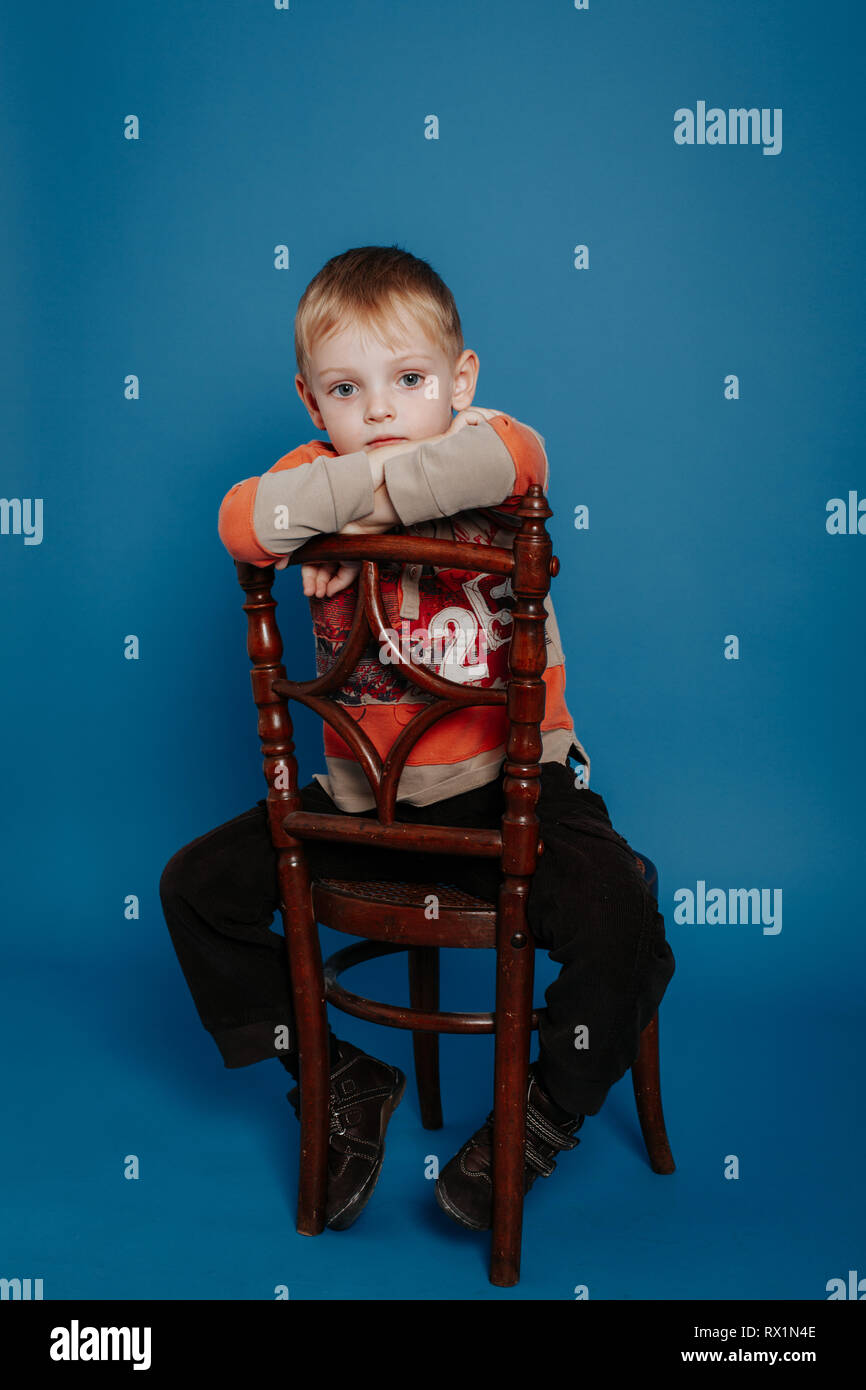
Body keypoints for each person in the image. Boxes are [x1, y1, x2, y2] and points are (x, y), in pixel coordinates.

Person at [159, 244, 676, 1234]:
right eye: (349, 391)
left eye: (410, 381)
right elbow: (240, 520)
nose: (383, 411)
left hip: (512, 787)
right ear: (313, 406)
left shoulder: (495, 444)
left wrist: (340, 526)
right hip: (366, 808)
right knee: (195, 889)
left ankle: (541, 1111)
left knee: (624, 922)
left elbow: (503, 463)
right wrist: (323, 514)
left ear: (462, 380)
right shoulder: (302, 471)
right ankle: (338, 1076)